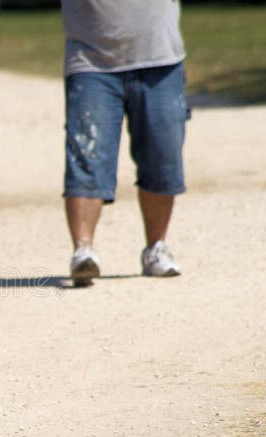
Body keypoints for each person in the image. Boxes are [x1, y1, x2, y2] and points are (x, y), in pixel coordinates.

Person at [61, 0, 188, 286]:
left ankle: (156, 247)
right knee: (87, 154)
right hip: (91, 58)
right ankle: (83, 251)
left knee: (162, 152)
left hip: (161, 56)